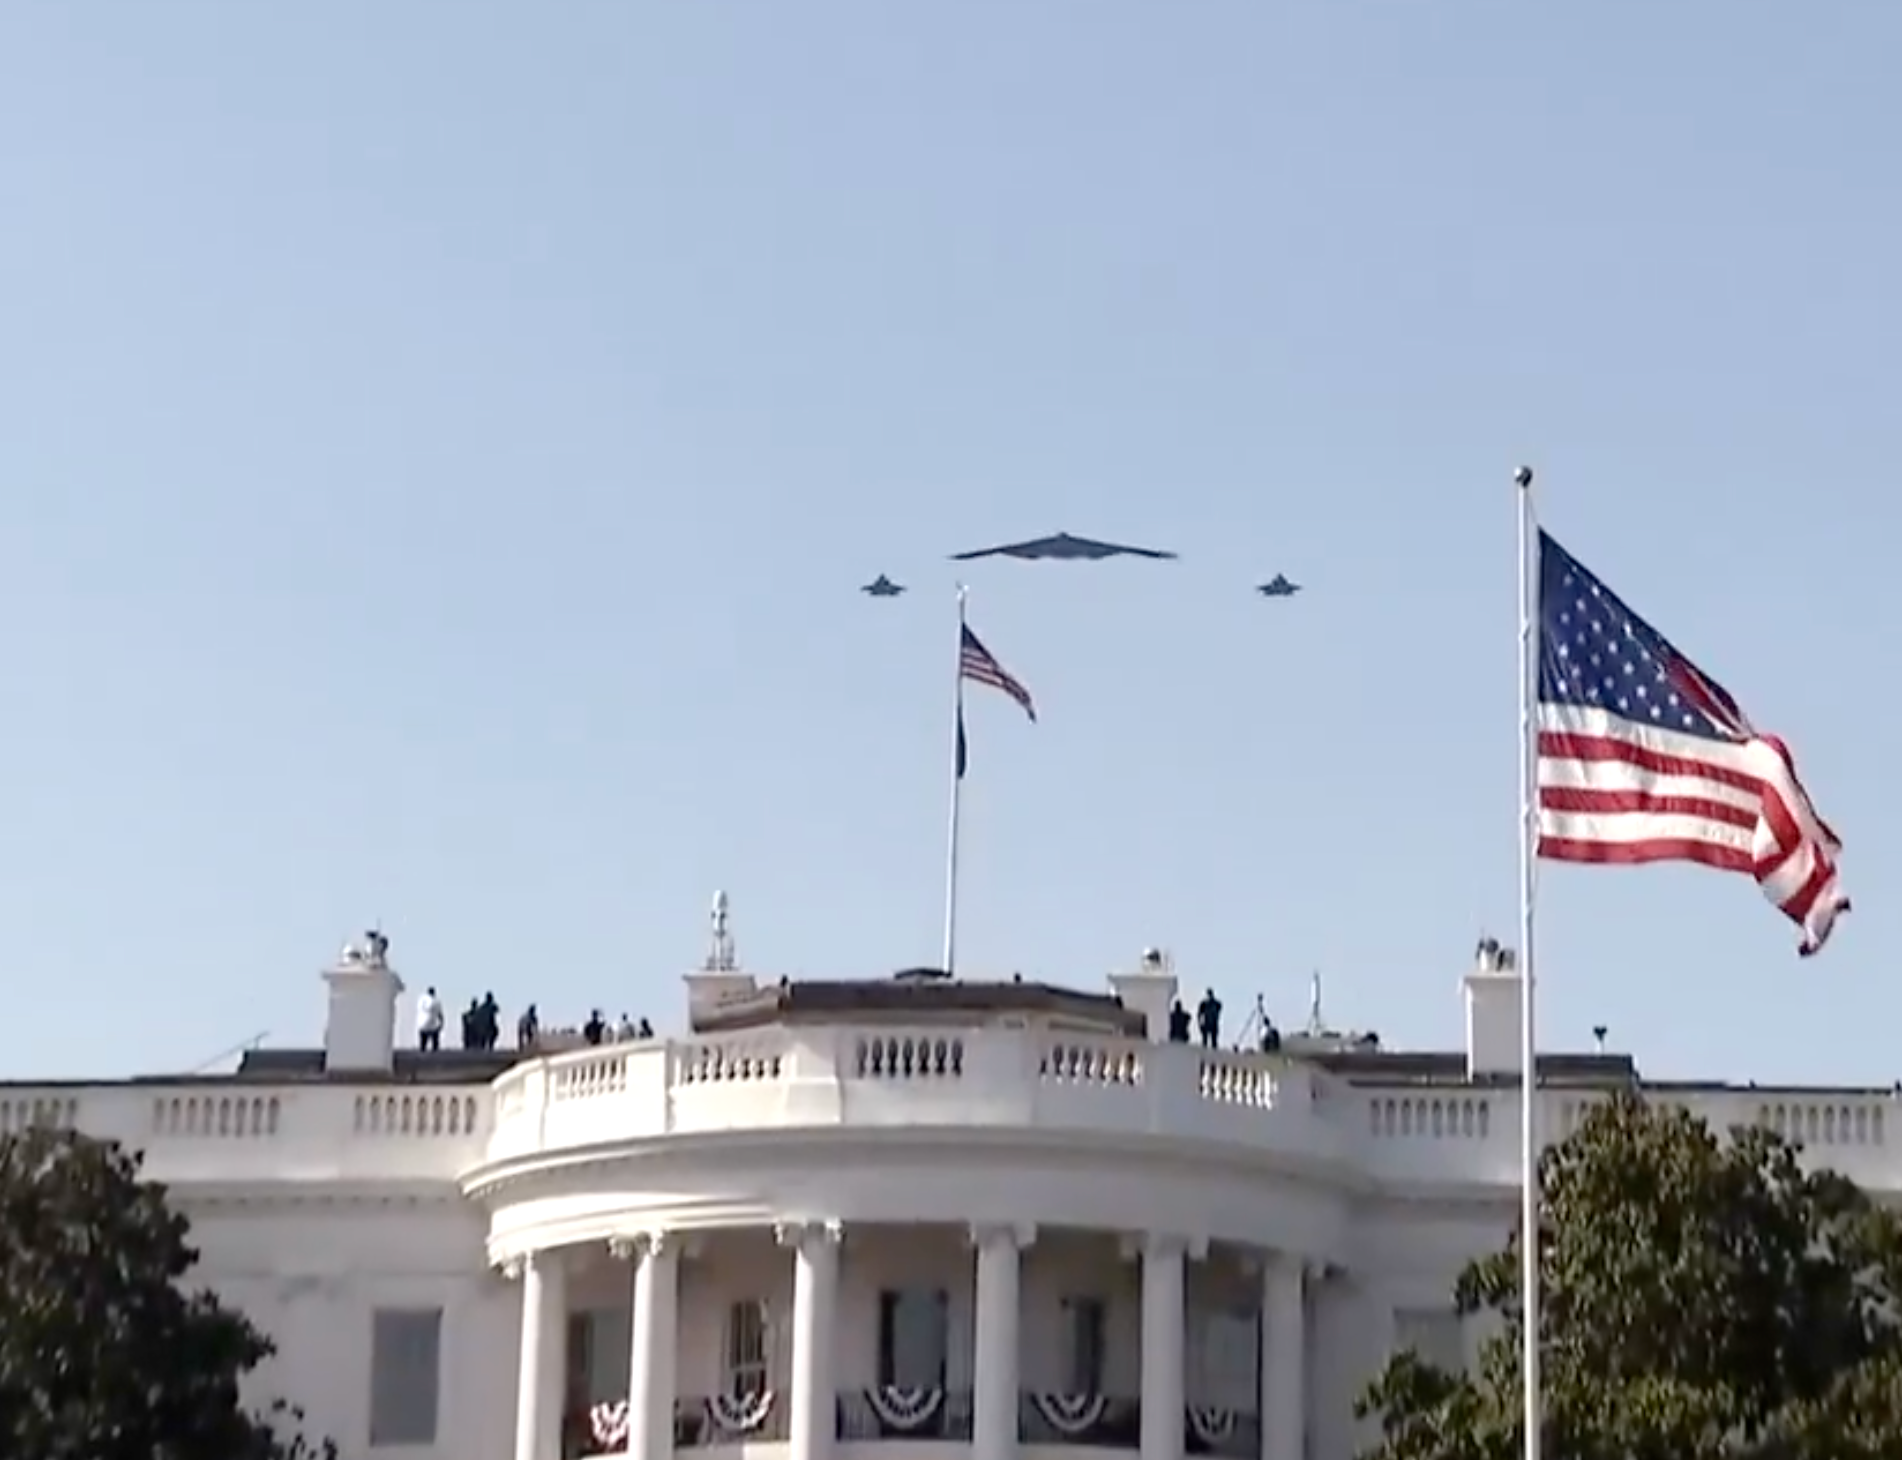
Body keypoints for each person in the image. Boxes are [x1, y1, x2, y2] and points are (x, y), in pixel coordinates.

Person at [416, 986, 444, 1052]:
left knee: (423, 1042)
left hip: (422, 1023)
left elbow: (419, 1010)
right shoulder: (436, 1001)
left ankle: (422, 1050)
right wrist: (442, 1023)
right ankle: (434, 1051)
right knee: (435, 1041)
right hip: (432, 1024)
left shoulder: (421, 999)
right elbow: (440, 1014)